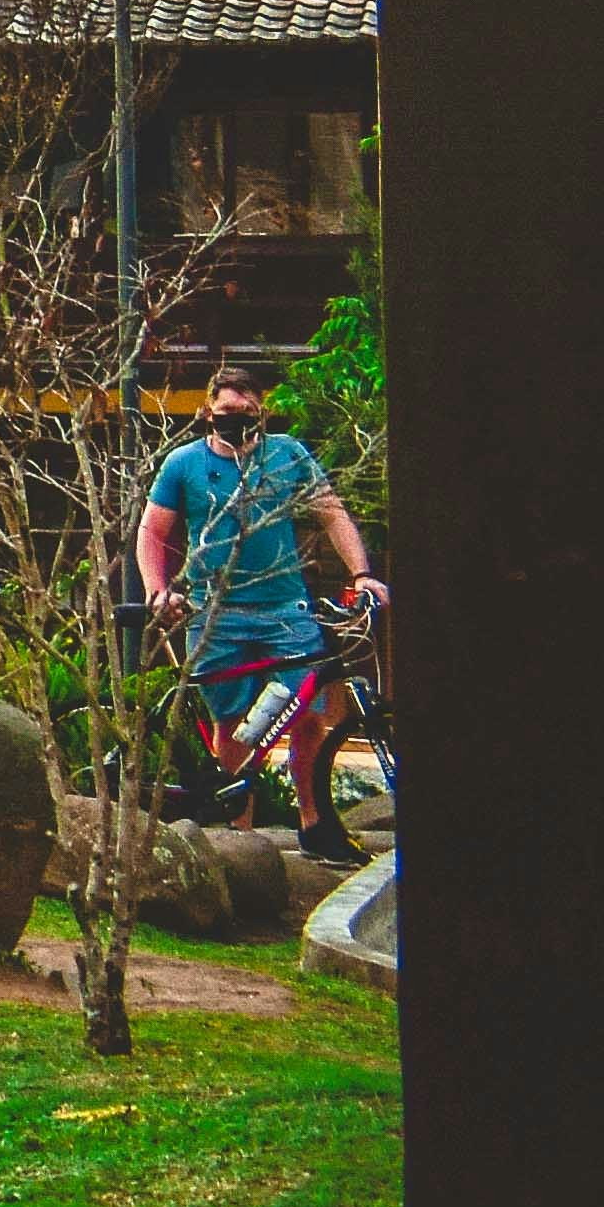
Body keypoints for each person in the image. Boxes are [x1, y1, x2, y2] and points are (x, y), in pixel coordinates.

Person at [137, 360, 383, 853]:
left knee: (309, 716)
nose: (236, 418)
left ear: (262, 411)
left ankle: (314, 821)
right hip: (214, 612)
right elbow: (152, 531)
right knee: (232, 721)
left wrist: (362, 574)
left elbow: (331, 514)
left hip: (284, 609)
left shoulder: (287, 455)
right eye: (227, 410)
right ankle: (240, 833)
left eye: (246, 410)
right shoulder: (183, 464)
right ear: (208, 411)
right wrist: (157, 589)